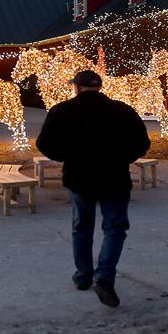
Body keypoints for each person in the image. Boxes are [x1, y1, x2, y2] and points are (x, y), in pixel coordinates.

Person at [34, 69, 151, 307]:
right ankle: (105, 277)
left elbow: (44, 143)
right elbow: (142, 143)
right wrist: (124, 158)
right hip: (115, 178)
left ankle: (83, 276)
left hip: (79, 179)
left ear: (76, 87)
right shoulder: (122, 111)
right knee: (115, 228)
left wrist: (66, 157)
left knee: (82, 227)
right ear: (100, 87)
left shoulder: (62, 111)